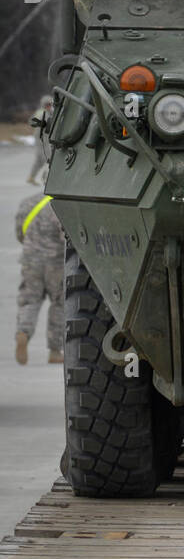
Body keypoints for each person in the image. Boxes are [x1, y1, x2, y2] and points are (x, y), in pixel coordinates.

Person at [15, 178, 65, 365]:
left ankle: (23, 332)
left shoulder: (27, 202)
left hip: (30, 260)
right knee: (59, 304)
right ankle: (54, 350)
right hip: (56, 263)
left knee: (29, 301)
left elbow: (20, 233)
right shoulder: (60, 206)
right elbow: (66, 238)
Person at [27, 94, 53, 184]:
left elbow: (31, 121)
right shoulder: (44, 114)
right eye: (48, 105)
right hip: (43, 141)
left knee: (39, 160)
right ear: (45, 105)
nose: (50, 106)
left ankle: (31, 177)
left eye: (50, 104)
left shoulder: (39, 112)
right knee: (48, 159)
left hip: (39, 139)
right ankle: (46, 179)